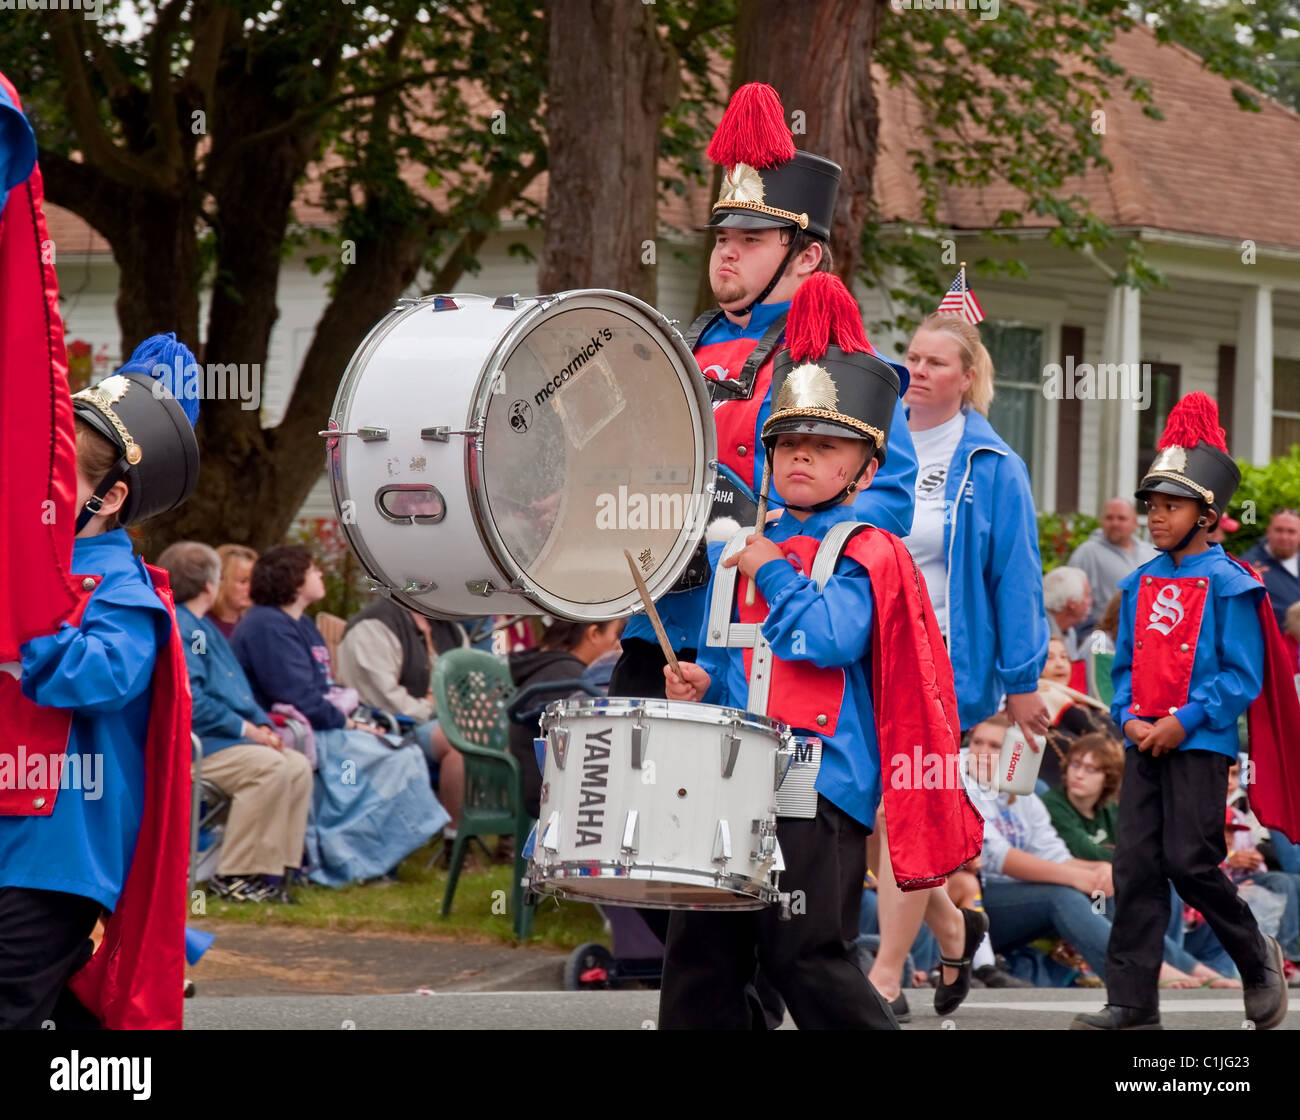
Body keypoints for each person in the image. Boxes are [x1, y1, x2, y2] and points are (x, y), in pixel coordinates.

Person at [659, 273, 983, 1029]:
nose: (801, 458)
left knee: (803, 954)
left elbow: (828, 639)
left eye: (824, 447)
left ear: (865, 469)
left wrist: (770, 565)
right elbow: (746, 668)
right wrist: (701, 684)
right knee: (702, 955)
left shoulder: (862, 549)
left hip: (815, 787)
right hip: (729, 775)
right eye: (788, 445)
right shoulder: (748, 548)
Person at [609, 81, 918, 700]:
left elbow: (888, 499)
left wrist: (790, 530)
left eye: (750, 241)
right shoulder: (673, 351)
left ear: (806, 257)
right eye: (722, 238)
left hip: (764, 639)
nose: (726, 254)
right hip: (659, 628)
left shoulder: (844, 363)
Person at [1073, 392, 1296, 1030]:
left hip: (1199, 746)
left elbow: (1242, 676)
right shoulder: (1138, 582)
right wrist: (1129, 717)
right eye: (1153, 505)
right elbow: (1122, 670)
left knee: (1188, 860)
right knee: (1134, 867)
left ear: (1208, 513)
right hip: (1143, 741)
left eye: (1171, 506)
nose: (1156, 517)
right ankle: (1133, 1004)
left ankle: (1256, 957)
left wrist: (1185, 720)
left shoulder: (1235, 583)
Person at [0, 331, 200, 1030]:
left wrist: (16, 629)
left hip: (60, 856)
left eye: (58, 477)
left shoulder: (127, 595)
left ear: (110, 497)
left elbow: (94, 677)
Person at [869, 311, 1051, 1018]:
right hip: (866, 650)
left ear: (968, 379)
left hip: (943, 665)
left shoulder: (994, 463)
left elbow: (1017, 574)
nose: (916, 370)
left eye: (936, 362)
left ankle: (886, 977)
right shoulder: (878, 441)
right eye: (912, 357)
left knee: (906, 808)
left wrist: (1023, 681)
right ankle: (952, 925)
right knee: (875, 817)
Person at [232, 546, 447, 886]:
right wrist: (350, 723)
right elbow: (295, 696)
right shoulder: (267, 626)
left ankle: (372, 857)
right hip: (291, 732)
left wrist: (356, 720)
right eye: (313, 569)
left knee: (399, 752)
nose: (319, 574)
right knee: (387, 759)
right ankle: (347, 859)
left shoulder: (300, 623)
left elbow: (323, 689)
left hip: (322, 726)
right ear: (294, 579)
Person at [965, 717, 1220, 989]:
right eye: (977, 742)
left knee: (1102, 892)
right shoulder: (961, 782)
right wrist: (1075, 877)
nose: (981, 752)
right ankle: (1136, 974)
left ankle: (1183, 965)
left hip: (1022, 904)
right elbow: (995, 856)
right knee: (1062, 894)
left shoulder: (1023, 792)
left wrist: (1097, 872)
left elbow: (1055, 855)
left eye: (995, 746)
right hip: (980, 904)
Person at [160, 541, 312, 904]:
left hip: (223, 741)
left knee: (297, 765)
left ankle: (275, 873)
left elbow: (235, 694)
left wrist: (265, 731)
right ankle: (234, 876)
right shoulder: (186, 627)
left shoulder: (201, 627)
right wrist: (250, 731)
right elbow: (191, 701)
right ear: (211, 585)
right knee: (269, 768)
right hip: (197, 746)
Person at [335, 597, 468, 830]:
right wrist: (437, 708)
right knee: (454, 740)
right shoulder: (373, 627)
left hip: (447, 720)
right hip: (391, 729)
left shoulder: (451, 628)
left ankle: (509, 833)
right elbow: (386, 698)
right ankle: (455, 838)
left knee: (504, 733)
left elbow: (468, 683)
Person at [508, 619, 624, 820]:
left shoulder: (550, 668)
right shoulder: (570, 678)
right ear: (594, 633)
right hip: (552, 795)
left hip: (537, 786)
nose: (619, 645)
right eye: (617, 635)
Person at [1036, 637, 1121, 788]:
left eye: (1064, 657)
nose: (1060, 664)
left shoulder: (1075, 698)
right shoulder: (1045, 695)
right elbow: (1095, 732)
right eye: (1049, 658)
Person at [1068, 498, 1157, 630]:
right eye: (1109, 518)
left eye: (1121, 518)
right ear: (1101, 521)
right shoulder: (1087, 553)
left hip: (1145, 632)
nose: (1115, 523)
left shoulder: (1151, 553)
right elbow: (1071, 600)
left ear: (1135, 522)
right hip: (1102, 635)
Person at [1243, 509, 1300, 628]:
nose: (1284, 537)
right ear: (1268, 531)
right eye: (1279, 530)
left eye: (1291, 532)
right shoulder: (1249, 566)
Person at [209, 544, 257, 639]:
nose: (251, 588)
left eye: (254, 581)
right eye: (243, 581)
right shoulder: (199, 626)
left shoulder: (256, 625)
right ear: (221, 580)